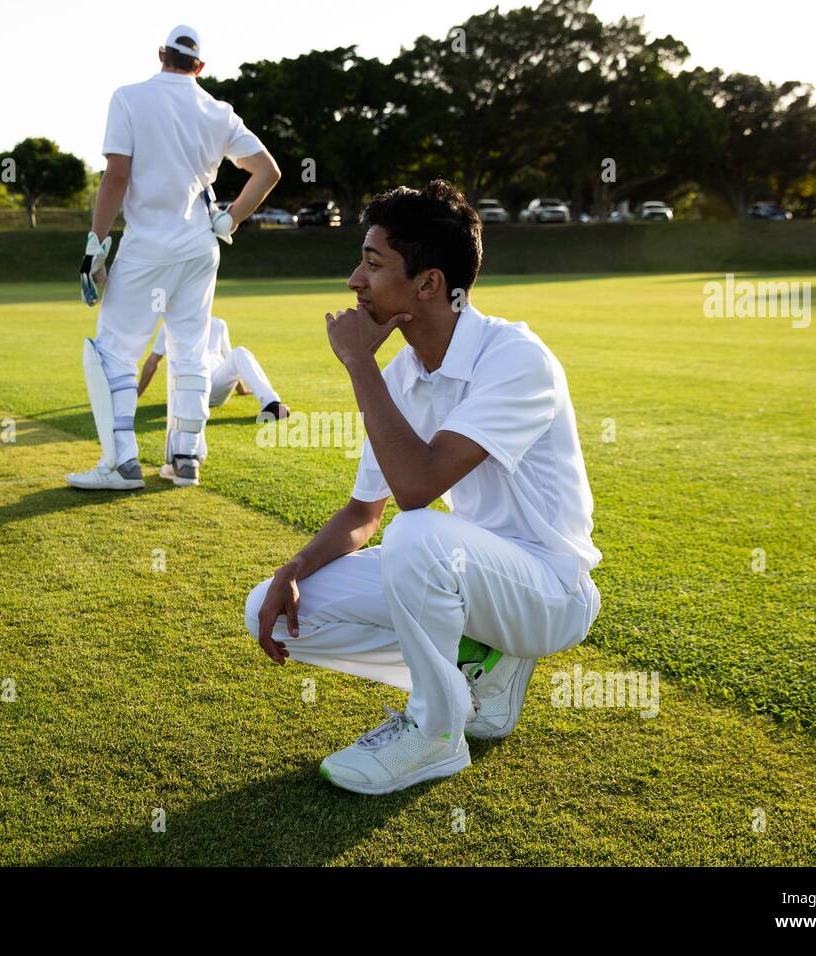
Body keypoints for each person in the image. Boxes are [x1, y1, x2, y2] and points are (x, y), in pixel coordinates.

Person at [244, 181, 602, 795]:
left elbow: (414, 491)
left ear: (429, 284)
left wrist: (358, 366)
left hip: (549, 591)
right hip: (463, 575)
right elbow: (364, 511)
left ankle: (436, 732)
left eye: (373, 263)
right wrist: (296, 567)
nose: (355, 280)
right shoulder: (403, 374)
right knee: (269, 614)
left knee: (419, 534)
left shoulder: (515, 357)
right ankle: (478, 668)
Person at [67, 23, 281, 491]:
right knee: (189, 350)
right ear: (199, 66)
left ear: (161, 53)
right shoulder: (218, 109)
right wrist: (232, 219)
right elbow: (268, 171)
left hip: (148, 248)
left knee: (115, 351)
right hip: (201, 249)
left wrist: (94, 245)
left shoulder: (128, 97)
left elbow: (116, 179)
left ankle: (121, 464)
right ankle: (185, 459)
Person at [138, 316, 290, 478]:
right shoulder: (171, 324)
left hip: (216, 385)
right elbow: (153, 361)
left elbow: (230, 359)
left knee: (240, 352)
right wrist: (136, 395)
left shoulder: (219, 324)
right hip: (189, 389)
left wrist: (241, 389)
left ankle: (272, 404)